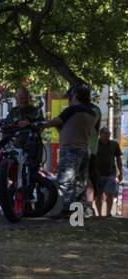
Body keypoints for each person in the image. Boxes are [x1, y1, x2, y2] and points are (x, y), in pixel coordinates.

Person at [46, 83, 101, 216]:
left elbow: (56, 121)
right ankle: (79, 212)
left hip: (70, 148)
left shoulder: (72, 109)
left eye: (70, 97)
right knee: (80, 182)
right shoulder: (92, 113)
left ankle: (67, 209)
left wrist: (42, 125)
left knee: (66, 179)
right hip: (85, 149)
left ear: (75, 96)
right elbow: (72, 127)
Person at [90, 126, 123, 218]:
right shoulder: (95, 144)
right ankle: (99, 214)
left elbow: (118, 158)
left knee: (110, 193)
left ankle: (108, 213)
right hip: (97, 173)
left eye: (109, 134)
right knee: (99, 194)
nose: (107, 136)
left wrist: (120, 172)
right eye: (106, 134)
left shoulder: (114, 144)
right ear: (100, 134)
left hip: (111, 173)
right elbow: (91, 158)